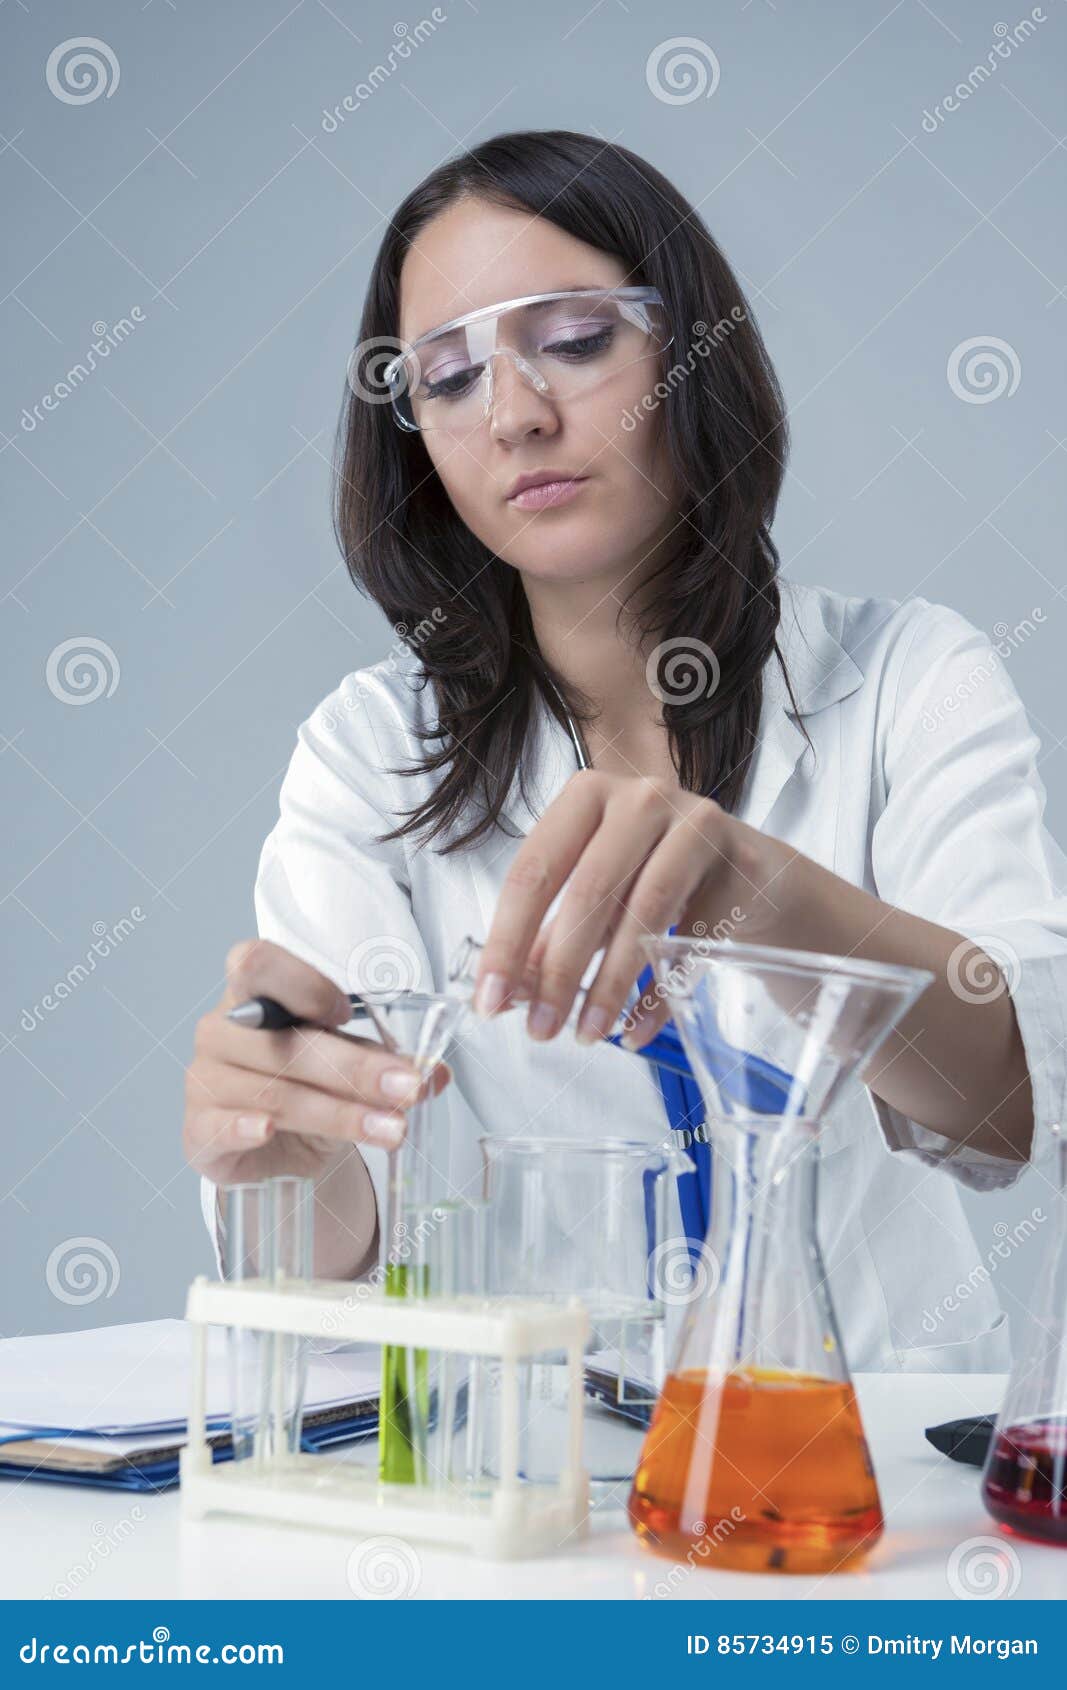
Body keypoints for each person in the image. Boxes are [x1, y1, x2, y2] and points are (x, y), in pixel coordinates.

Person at [182, 130, 1067, 1372]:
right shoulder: (368, 751)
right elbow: (344, 1246)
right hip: (532, 1477)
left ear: (694, 353)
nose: (514, 414)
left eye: (576, 341)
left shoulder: (908, 677)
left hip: (868, 1476)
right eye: (443, 377)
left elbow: (1013, 1100)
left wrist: (764, 895)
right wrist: (289, 1151)